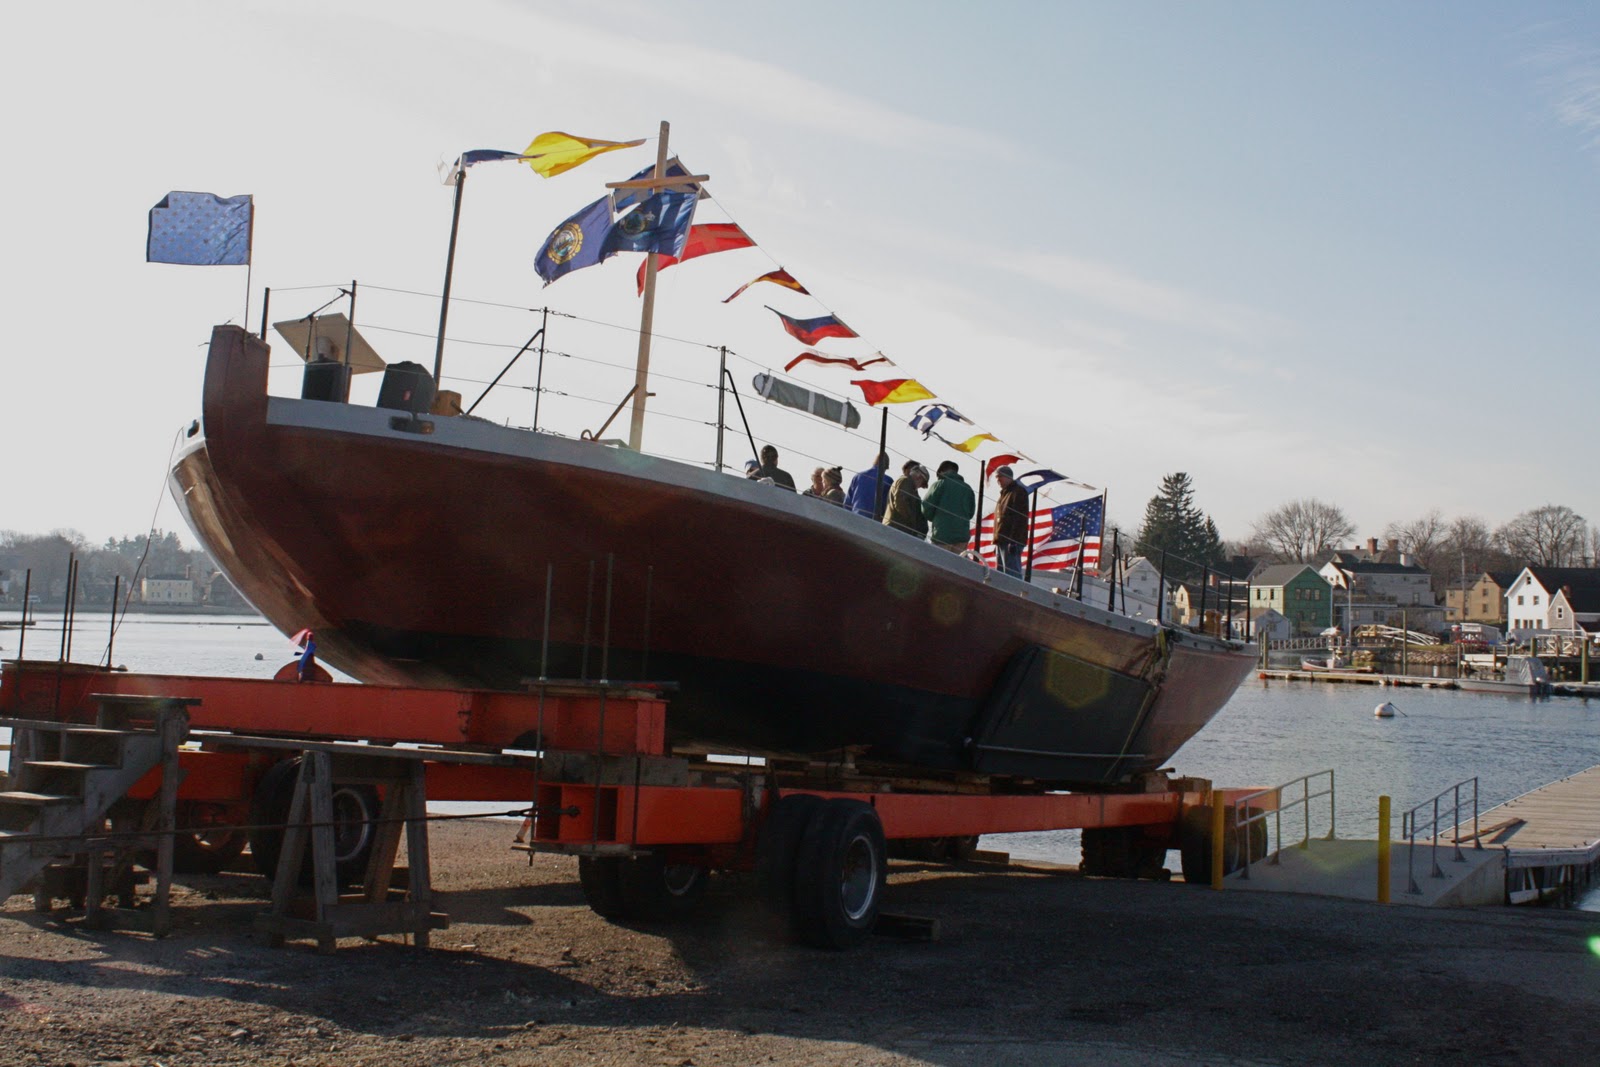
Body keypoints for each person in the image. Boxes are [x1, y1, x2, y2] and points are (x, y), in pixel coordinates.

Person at [923, 460, 976, 552]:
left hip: (941, 534)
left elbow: (926, 507)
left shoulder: (939, 484)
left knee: (938, 564)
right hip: (962, 536)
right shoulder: (968, 489)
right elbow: (971, 513)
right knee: (956, 565)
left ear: (941, 471)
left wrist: (934, 519)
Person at [993, 465, 1030, 578]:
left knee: (1011, 573)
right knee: (1001, 574)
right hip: (1002, 539)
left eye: (999, 476)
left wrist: (1013, 540)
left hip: (1011, 540)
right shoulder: (1004, 494)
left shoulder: (1018, 492)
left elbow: (1019, 518)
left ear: (1007, 477)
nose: (997, 480)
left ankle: (1015, 593)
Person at [884, 462, 930, 539]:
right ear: (919, 477)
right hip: (897, 529)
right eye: (922, 484)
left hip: (895, 529)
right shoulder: (906, 481)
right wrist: (913, 524)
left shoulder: (905, 483)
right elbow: (901, 503)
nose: (920, 486)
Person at [845, 452, 894, 519]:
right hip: (875, 520)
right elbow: (888, 505)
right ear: (886, 466)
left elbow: (847, 502)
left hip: (855, 517)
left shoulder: (858, 476)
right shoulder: (888, 481)